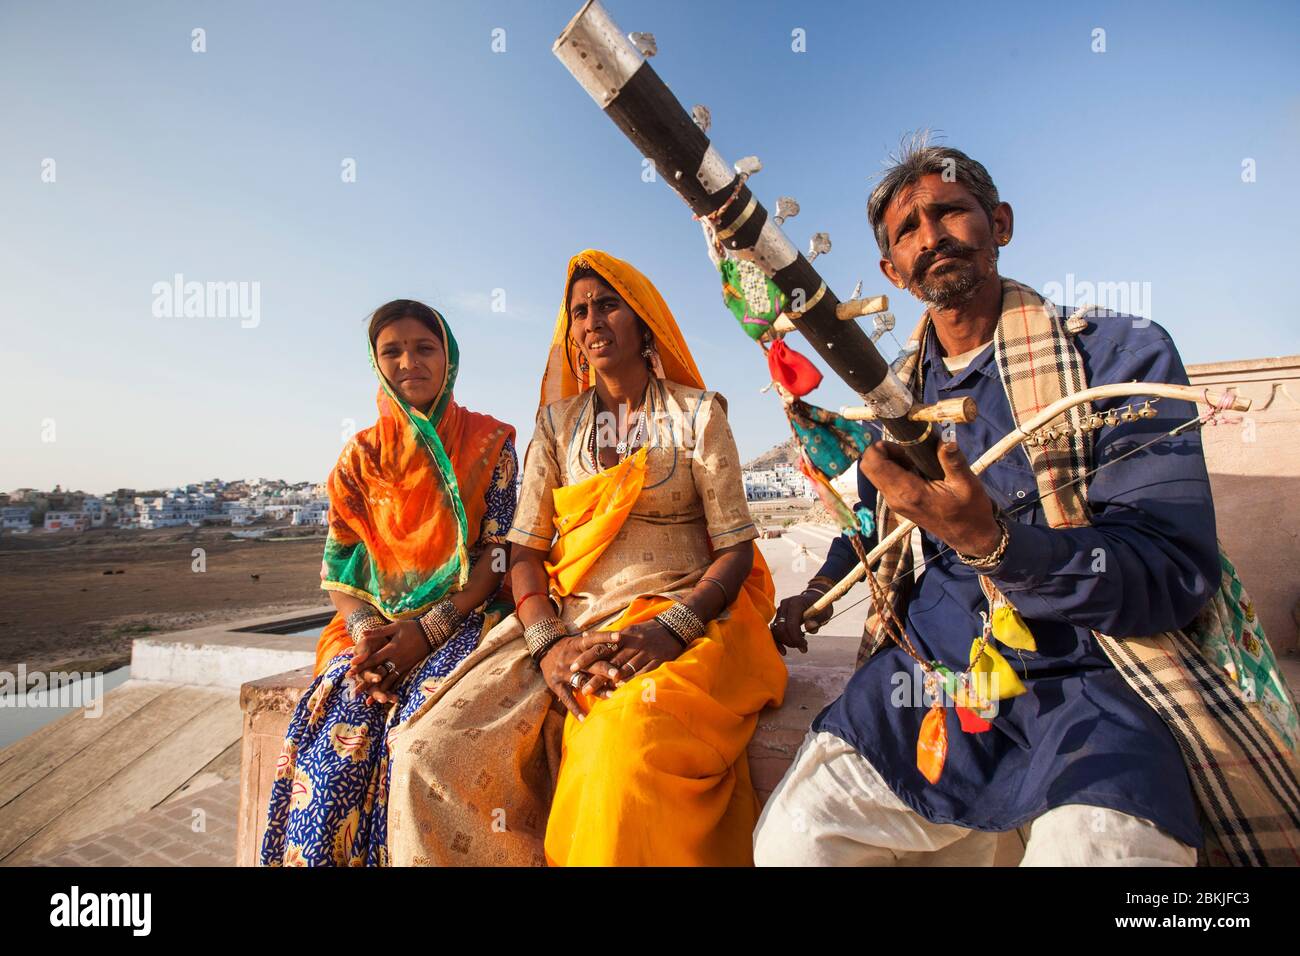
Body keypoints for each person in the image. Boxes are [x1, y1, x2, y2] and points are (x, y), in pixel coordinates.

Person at [755, 138, 1299, 866]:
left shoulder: (1114, 355)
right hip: (931, 682)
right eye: (907, 231)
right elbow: (868, 519)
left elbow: (1170, 569)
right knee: (794, 843)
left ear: (1000, 224)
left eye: (950, 212)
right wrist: (817, 592)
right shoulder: (893, 395)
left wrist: (995, 546)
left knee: (1101, 852)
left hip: (1097, 682)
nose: (932, 237)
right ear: (891, 272)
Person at [505, 248, 787, 865]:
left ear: (643, 322)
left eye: (608, 305)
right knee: (438, 743)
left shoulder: (697, 414)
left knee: (623, 746)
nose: (591, 321)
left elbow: (735, 549)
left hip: (687, 618)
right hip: (571, 627)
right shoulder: (555, 427)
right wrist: (548, 644)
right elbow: (522, 553)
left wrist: (674, 627)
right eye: (579, 311)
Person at [260, 299, 538, 866]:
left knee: (417, 743)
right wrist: (367, 634)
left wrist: (428, 629)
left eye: (424, 348)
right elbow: (339, 568)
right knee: (332, 755)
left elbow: (499, 553)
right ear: (376, 362)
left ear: (448, 358)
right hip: (375, 630)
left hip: (464, 617)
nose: (409, 361)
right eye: (392, 351)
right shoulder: (359, 458)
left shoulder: (490, 443)